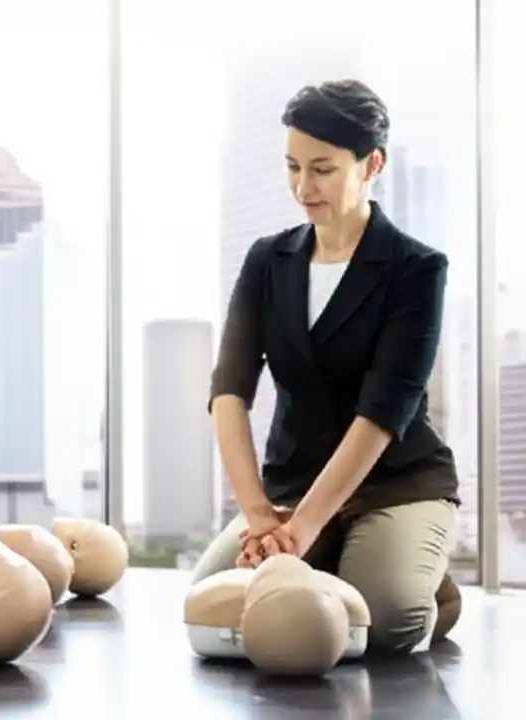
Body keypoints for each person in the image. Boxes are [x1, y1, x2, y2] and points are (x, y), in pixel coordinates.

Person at [192, 79, 460, 654]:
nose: (301, 187)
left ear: (372, 164)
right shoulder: (268, 260)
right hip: (292, 487)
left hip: (395, 484)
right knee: (216, 607)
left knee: (381, 625)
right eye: (292, 167)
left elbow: (384, 413)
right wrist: (261, 517)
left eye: (322, 169)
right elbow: (230, 390)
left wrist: (304, 530)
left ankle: (423, 580)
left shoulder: (416, 268)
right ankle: (344, 560)